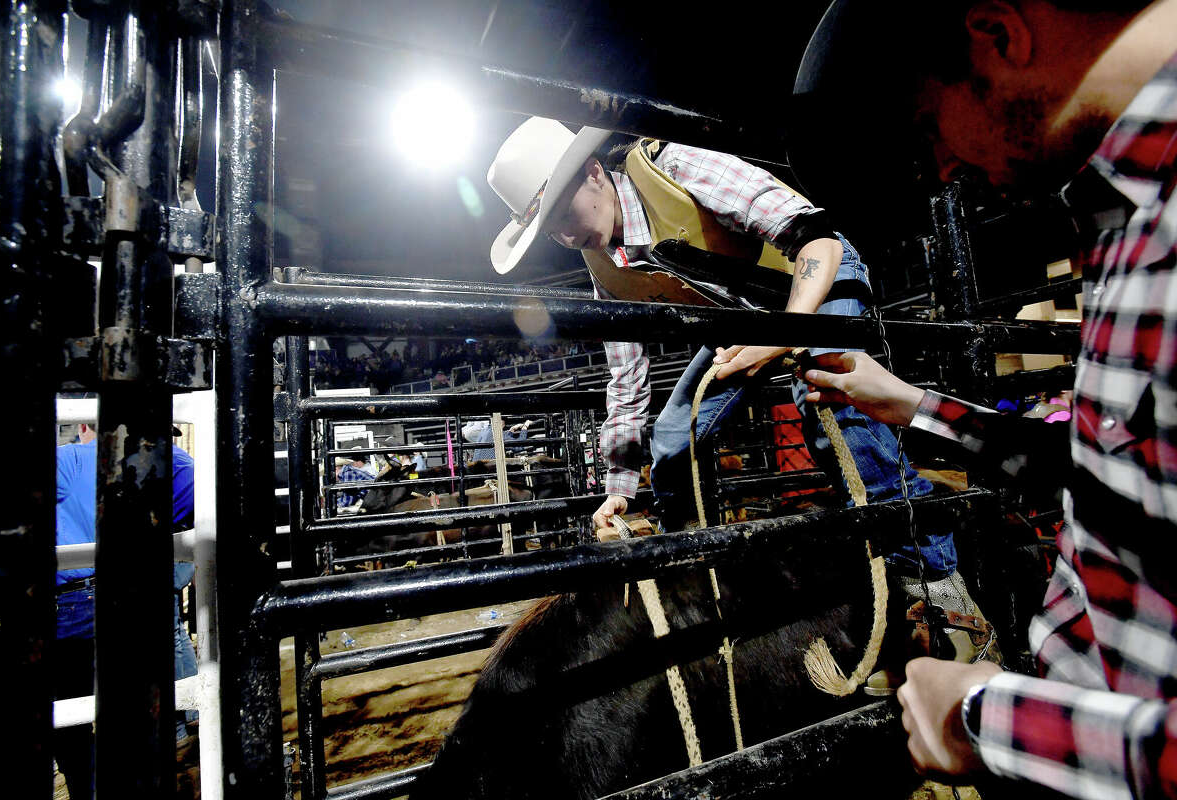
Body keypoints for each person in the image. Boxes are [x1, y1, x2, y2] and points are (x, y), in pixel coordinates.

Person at [793, 1, 1177, 796]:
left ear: (999, 34)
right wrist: (915, 405)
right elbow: (1114, 471)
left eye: (930, 126)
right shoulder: (1124, 215)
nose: (940, 169)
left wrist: (987, 720)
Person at [486, 116, 975, 625]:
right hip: (742, 318)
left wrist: (784, 332)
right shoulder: (604, 268)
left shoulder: (675, 163)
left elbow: (818, 239)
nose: (563, 235)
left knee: (842, 422)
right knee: (675, 439)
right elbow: (626, 378)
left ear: (592, 171)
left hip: (814, 281)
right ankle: (690, 582)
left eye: (560, 211)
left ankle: (942, 596)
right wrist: (619, 487)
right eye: (548, 229)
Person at [54, 423, 197, 800]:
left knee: (72, 719)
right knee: (136, 689)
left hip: (74, 599)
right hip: (125, 586)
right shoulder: (163, 460)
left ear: (85, 424)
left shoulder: (71, 459)